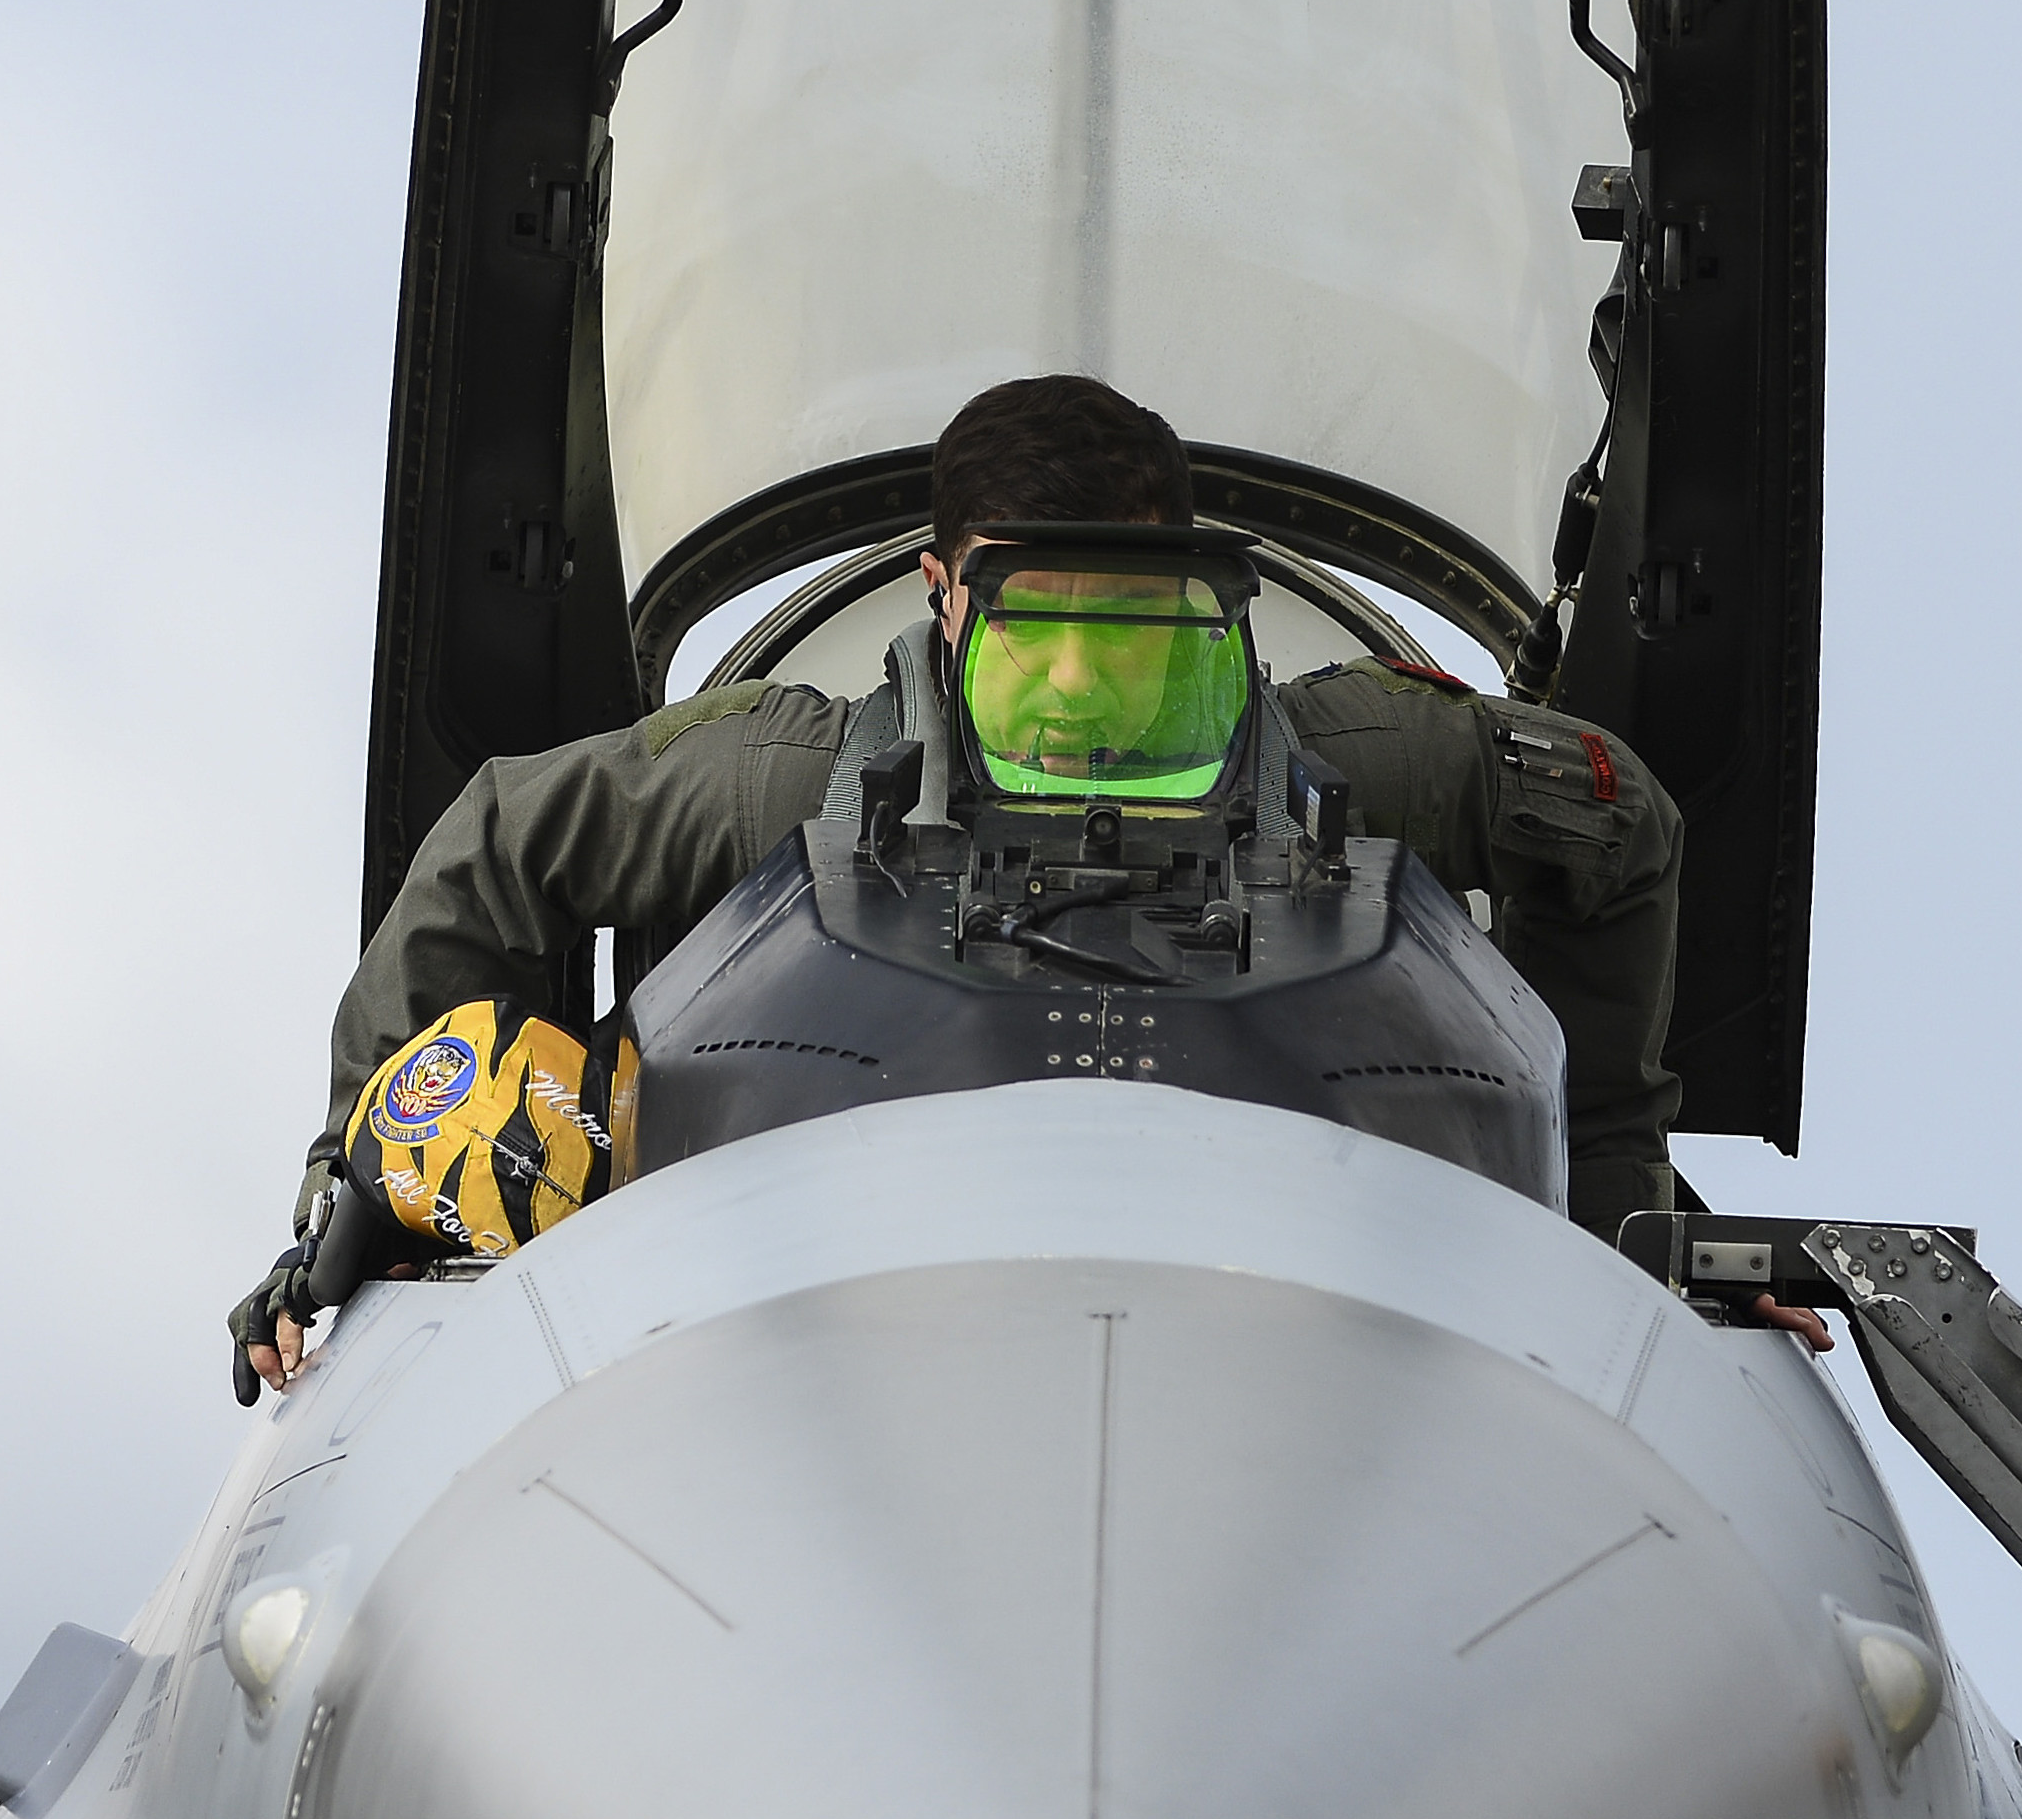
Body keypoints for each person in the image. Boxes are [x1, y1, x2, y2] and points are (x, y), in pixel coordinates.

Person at [238, 373, 1686, 1386]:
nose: (1072, 679)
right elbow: (497, 849)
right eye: (1028, 612)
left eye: (1122, 614)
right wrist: (367, 1187)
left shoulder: (1358, 768)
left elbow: (1621, 827)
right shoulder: (776, 788)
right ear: (941, 588)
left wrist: (1611, 1212)